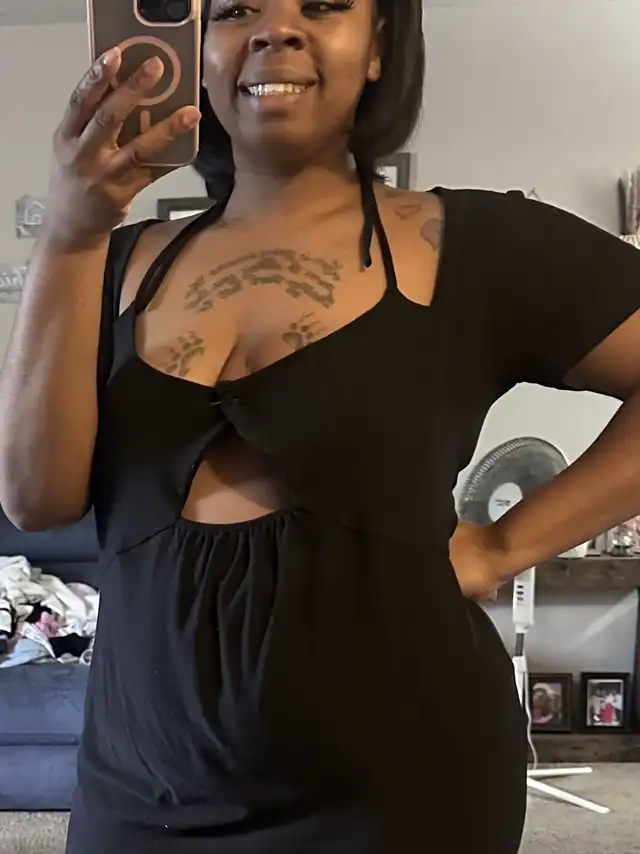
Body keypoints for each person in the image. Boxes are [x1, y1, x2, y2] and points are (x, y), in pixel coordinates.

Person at [2, 1, 640, 851]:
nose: (276, 28)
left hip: (406, 793)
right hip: (143, 789)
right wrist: (72, 233)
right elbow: (35, 499)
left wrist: (501, 546)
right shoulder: (110, 262)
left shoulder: (479, 244)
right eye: (236, 8)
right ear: (199, 51)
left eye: (324, 3)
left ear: (378, 47)